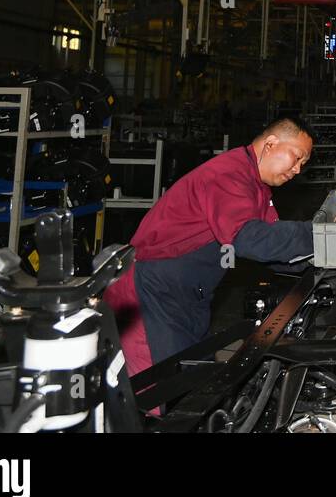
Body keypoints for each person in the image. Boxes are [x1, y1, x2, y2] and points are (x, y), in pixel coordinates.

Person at [104, 118, 317, 377]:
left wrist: (330, 252)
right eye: (296, 158)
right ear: (271, 144)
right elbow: (251, 239)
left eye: (302, 165)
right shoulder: (229, 175)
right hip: (153, 293)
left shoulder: (255, 184)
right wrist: (321, 234)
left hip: (188, 296)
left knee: (194, 381)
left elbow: (273, 251)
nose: (297, 170)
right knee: (160, 391)